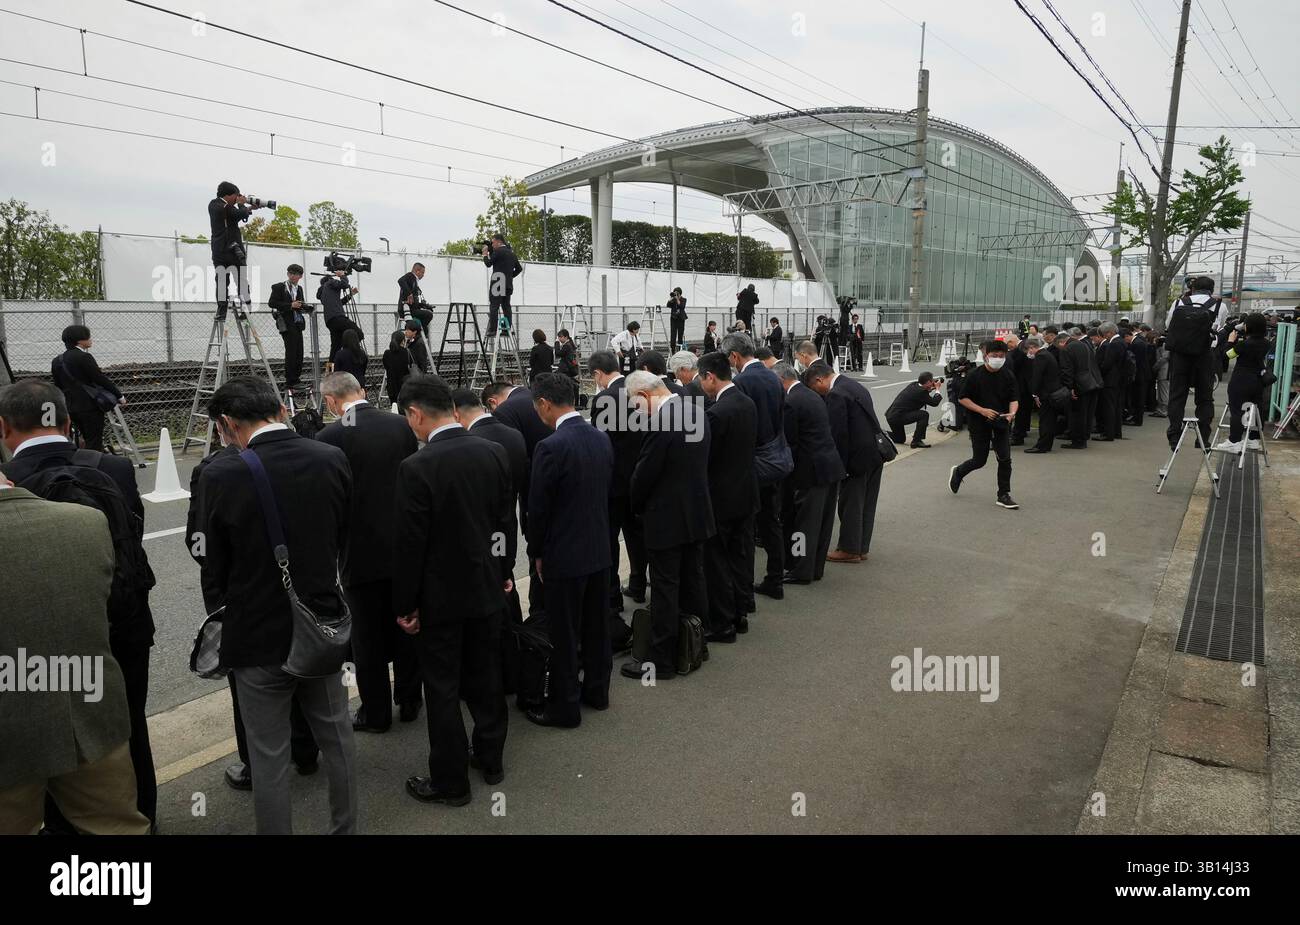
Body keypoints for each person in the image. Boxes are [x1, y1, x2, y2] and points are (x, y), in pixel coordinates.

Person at [197, 377, 357, 834]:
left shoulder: (220, 473)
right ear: (280, 410)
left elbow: (212, 561)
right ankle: (345, 828)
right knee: (338, 739)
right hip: (321, 625)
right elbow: (341, 533)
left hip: (255, 634)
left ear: (228, 424)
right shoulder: (330, 457)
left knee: (268, 757)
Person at [0, 379, 157, 828]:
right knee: (125, 732)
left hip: (41, 645)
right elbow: (131, 545)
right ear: (68, 422)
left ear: (3, 427)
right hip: (124, 628)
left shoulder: (15, 481)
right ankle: (141, 814)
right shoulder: (115, 469)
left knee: (48, 745)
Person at [395, 375, 512, 804]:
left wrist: (405, 604)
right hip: (485, 586)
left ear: (416, 413)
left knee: (442, 688)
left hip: (438, 598)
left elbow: (410, 545)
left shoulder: (416, 467)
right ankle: (491, 760)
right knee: (486, 676)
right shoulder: (493, 452)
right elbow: (504, 521)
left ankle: (450, 781)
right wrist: (502, 570)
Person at [317, 372, 422, 733]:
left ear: (331, 402)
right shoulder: (400, 425)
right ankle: (410, 700)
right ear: (361, 392)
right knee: (408, 624)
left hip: (358, 554)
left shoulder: (329, 437)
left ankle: (375, 712)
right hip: (404, 547)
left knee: (366, 640)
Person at [525, 373, 615, 725]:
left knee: (564, 633)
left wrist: (537, 553)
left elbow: (539, 509)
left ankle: (564, 708)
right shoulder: (599, 438)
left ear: (545, 403)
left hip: (564, 554)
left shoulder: (550, 446)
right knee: (596, 626)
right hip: (598, 548)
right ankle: (598, 692)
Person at [620, 371, 712, 680]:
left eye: (635, 405)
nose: (636, 412)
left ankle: (661, 660)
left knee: (664, 588)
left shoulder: (660, 422)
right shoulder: (695, 410)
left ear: (645, 396)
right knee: (693, 579)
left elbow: (643, 476)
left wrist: (635, 507)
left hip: (666, 518)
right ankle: (696, 643)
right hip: (696, 512)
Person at [696, 352, 758, 641]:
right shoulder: (746, 403)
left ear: (710, 376)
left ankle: (722, 624)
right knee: (739, 556)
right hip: (745, 492)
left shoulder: (717, 413)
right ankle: (740, 613)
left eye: (701, 378)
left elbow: (709, 459)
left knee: (716, 562)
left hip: (720, 498)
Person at [725, 332, 788, 601]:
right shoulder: (774, 377)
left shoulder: (741, 382)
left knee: (747, 528)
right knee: (771, 522)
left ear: (734, 356)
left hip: (753, 462)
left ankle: (745, 588)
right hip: (775, 457)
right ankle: (775, 578)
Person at [588, 350, 644, 647]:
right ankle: (637, 582)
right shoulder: (638, 391)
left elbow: (600, 442)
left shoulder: (604, 400)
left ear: (598, 373)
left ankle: (612, 598)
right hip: (638, 478)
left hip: (612, 483)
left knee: (608, 540)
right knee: (636, 536)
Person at [803, 360, 886, 562]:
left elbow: (838, 434)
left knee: (851, 504)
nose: (817, 393)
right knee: (867, 503)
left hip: (856, 458)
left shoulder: (836, 395)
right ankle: (861, 547)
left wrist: (838, 466)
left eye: (814, 388)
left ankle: (849, 549)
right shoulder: (854, 385)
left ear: (819, 379)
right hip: (875, 452)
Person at [774, 362, 845, 584]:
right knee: (823, 523)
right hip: (830, 466)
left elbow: (790, 443)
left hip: (809, 471)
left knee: (802, 525)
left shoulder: (791, 402)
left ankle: (800, 569)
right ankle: (815, 567)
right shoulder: (811, 395)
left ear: (780, 380)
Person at [948, 341, 1019, 510]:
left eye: (1001, 356)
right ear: (986, 355)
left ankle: (1003, 494)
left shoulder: (1008, 375)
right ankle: (958, 472)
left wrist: (1012, 414)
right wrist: (982, 410)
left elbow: (1014, 398)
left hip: (1001, 421)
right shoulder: (974, 375)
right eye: (994, 356)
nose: (998, 359)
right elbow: (962, 398)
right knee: (980, 460)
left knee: (1005, 459)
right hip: (978, 422)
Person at [1164, 275, 1228, 450]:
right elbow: (1219, 327)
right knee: (1205, 398)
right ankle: (1202, 438)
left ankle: (1174, 436)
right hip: (1205, 354)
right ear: (1212, 289)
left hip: (1180, 355)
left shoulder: (1179, 303)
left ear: (1192, 288)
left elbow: (1169, 325)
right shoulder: (1219, 305)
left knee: (1177, 395)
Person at [51, 324, 123, 452]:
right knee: (94, 439)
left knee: (85, 436)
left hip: (71, 406)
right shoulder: (84, 357)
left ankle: (91, 461)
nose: (91, 339)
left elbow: (58, 385)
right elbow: (99, 378)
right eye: (88, 336)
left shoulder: (57, 360)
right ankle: (93, 467)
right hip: (90, 405)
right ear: (80, 340)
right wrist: (119, 395)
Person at [1217, 313, 1271, 451]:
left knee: (1237, 411)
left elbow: (1227, 355)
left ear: (1249, 327)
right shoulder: (1266, 343)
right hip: (1258, 381)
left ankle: (1234, 441)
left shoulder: (1244, 344)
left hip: (1240, 381)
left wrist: (1230, 341)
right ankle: (1253, 439)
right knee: (1255, 410)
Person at [208, 180, 255, 318]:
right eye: (236, 195)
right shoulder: (218, 205)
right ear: (229, 195)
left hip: (228, 251)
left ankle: (244, 307)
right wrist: (242, 205)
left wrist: (249, 209)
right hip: (226, 251)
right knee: (226, 280)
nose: (237, 199)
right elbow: (235, 213)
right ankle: (225, 308)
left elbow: (235, 216)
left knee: (237, 280)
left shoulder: (224, 207)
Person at [1058, 327, 1102, 450]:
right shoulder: (1084, 345)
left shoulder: (1067, 349)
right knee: (1088, 413)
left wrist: (1070, 387)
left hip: (1080, 385)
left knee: (1077, 414)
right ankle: (1084, 436)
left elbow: (1067, 371)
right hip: (1093, 383)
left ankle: (1078, 441)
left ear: (1062, 342)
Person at [1024, 334, 1067, 454]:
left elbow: (1037, 376)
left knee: (1045, 420)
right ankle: (1046, 444)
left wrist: (1034, 394)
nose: (1029, 352)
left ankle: (1042, 445)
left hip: (1046, 393)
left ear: (1032, 347)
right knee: (1050, 420)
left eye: (1028, 350)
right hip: (1052, 391)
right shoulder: (1047, 354)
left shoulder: (1041, 356)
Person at [267, 264, 307, 388]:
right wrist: (290, 305)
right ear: (288, 274)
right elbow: (272, 303)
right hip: (286, 322)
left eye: (296, 274)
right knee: (291, 351)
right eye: (291, 274)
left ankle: (296, 378)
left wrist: (304, 307)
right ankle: (291, 380)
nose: (294, 276)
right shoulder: (279, 287)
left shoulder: (299, 288)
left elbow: (300, 303)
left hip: (297, 322)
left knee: (299, 351)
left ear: (300, 276)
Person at [885, 372, 943, 448]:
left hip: (891, 415)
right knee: (924, 415)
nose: (933, 382)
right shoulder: (922, 392)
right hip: (898, 417)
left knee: (900, 439)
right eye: (932, 381)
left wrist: (931, 387)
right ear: (928, 382)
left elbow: (921, 392)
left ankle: (879, 433)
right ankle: (916, 441)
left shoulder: (914, 384)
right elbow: (934, 403)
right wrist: (937, 389)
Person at [318, 267, 361, 363]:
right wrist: (342, 275)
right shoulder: (330, 283)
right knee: (358, 334)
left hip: (330, 321)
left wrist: (351, 294)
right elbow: (344, 284)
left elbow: (339, 303)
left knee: (336, 346)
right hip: (338, 317)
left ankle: (332, 369)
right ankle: (349, 357)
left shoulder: (325, 294)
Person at [483, 233, 523, 336]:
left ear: (499, 241)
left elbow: (488, 264)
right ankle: (506, 329)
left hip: (497, 283)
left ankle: (493, 330)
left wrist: (484, 255)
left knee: (494, 306)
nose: (492, 244)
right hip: (507, 284)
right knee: (506, 306)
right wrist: (509, 276)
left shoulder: (498, 252)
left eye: (493, 242)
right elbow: (519, 269)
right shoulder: (511, 253)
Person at [1094, 322, 1126, 442]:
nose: (1104, 337)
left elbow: (1107, 363)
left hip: (1110, 380)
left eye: (1104, 334)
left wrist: (1099, 372)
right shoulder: (1121, 342)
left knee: (1109, 407)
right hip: (1118, 379)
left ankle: (1108, 433)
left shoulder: (1114, 344)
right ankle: (1116, 431)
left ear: (1110, 332)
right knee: (1116, 406)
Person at [383, 330, 417, 408]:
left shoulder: (387, 354)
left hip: (392, 387)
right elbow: (410, 366)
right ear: (403, 340)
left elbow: (386, 367)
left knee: (394, 408)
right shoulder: (406, 352)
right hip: (404, 386)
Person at [1124, 326, 1148, 427]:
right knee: (1137, 397)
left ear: (1127, 336)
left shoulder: (1137, 344)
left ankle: (1137, 419)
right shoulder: (1138, 342)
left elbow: (1136, 362)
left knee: (1138, 398)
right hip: (1141, 374)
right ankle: (1136, 417)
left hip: (1139, 375)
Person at [397, 263, 433, 333]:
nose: (423, 275)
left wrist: (424, 305)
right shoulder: (410, 276)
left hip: (412, 309)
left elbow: (414, 302)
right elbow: (400, 280)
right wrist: (409, 294)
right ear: (417, 271)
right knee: (428, 315)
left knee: (427, 313)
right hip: (406, 310)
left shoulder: (414, 282)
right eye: (422, 273)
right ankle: (418, 331)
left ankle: (418, 330)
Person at [555, 328, 580, 403]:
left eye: (560, 337)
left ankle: (563, 400)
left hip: (566, 369)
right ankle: (574, 401)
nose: (559, 339)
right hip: (570, 368)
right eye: (558, 337)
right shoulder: (571, 344)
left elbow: (558, 353)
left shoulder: (567, 346)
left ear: (566, 337)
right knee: (572, 384)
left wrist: (556, 344)